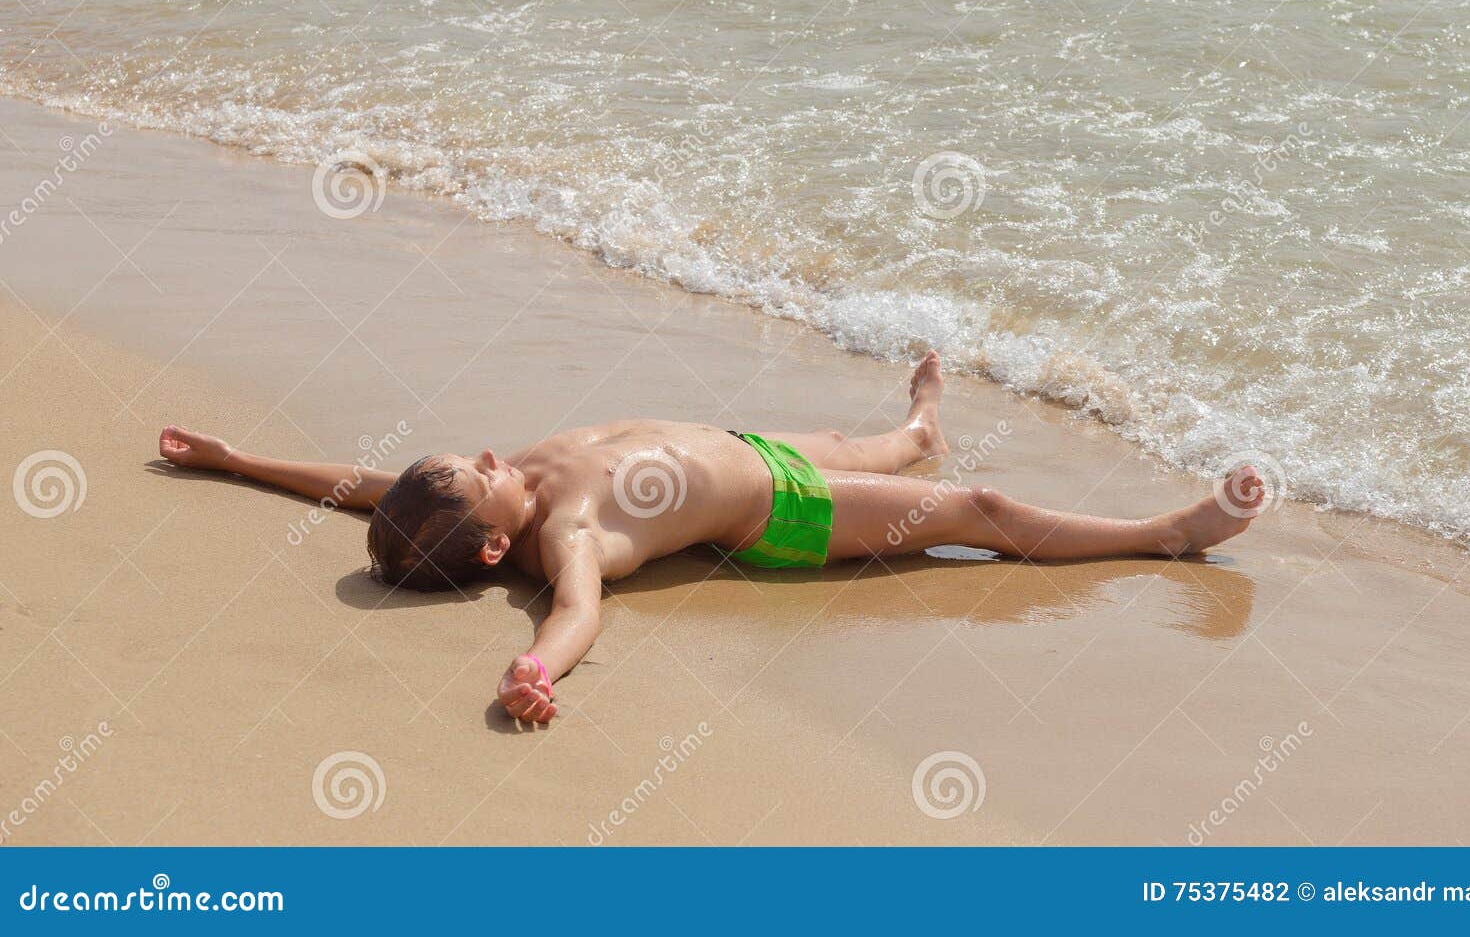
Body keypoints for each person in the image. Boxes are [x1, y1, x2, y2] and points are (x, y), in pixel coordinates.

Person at [156, 352, 1262, 725]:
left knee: (878, 445)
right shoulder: (564, 534)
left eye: (462, 454)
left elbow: (367, 488)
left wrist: (236, 459)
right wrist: (534, 670)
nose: (486, 456)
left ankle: (917, 423)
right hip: (778, 513)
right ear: (494, 547)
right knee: (974, 515)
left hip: (745, 446)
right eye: (475, 477)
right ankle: (1168, 532)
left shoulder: (501, 488)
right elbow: (576, 612)